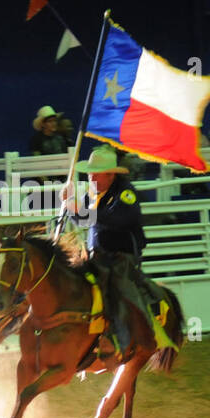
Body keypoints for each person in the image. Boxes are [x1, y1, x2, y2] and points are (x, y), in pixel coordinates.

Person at [65, 146, 163, 355]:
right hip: (97, 256)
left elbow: (119, 219)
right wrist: (69, 206)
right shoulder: (94, 192)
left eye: (95, 175)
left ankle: (122, 340)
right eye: (90, 174)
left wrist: (79, 210)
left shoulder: (126, 193)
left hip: (122, 256)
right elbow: (83, 220)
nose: (91, 178)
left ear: (110, 175)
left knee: (116, 290)